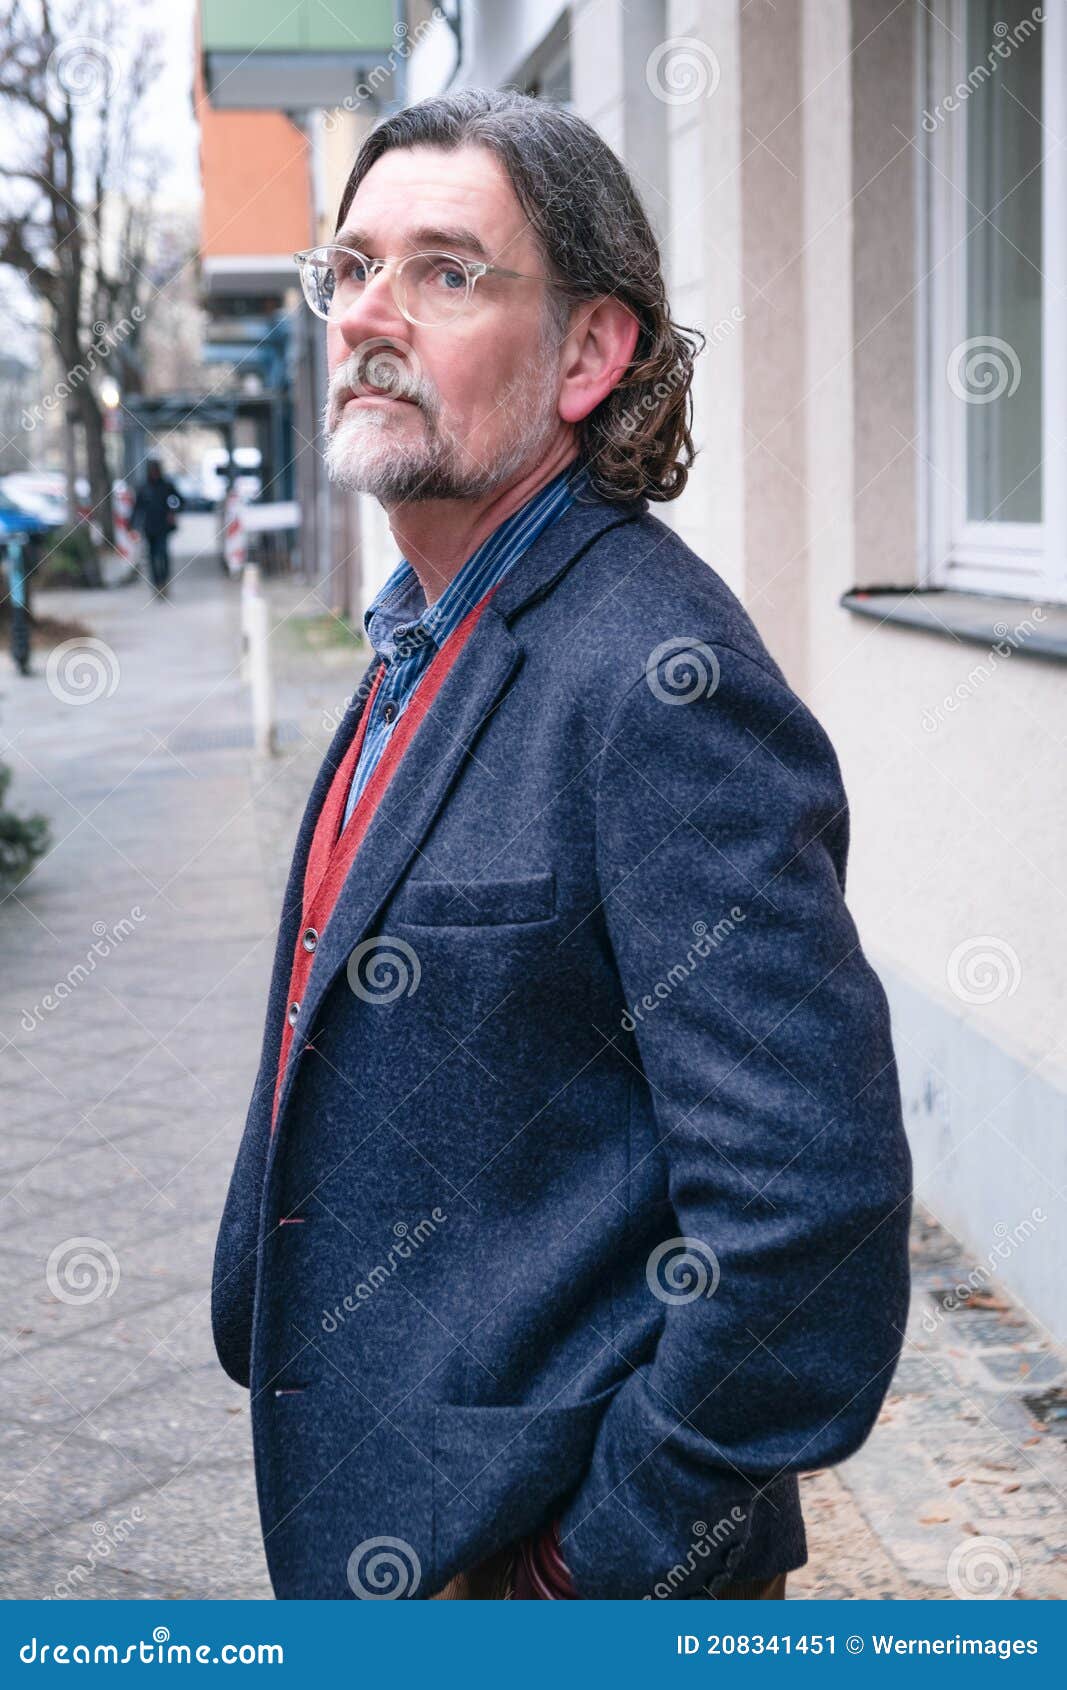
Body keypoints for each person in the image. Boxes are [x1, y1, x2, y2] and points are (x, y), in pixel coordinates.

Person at [211, 89, 913, 1602]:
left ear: (590, 352)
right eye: (350, 268)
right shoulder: (425, 627)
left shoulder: (658, 681)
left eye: (445, 271)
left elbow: (814, 1220)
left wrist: (579, 1573)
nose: (367, 318)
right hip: (388, 1501)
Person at [131, 458, 181, 594]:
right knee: (152, 556)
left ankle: (164, 581)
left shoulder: (166, 486)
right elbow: (137, 508)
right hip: (149, 528)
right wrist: (133, 526)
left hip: (164, 527)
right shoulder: (143, 487)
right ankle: (156, 583)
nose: (154, 473)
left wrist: (173, 511)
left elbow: (179, 500)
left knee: (163, 554)